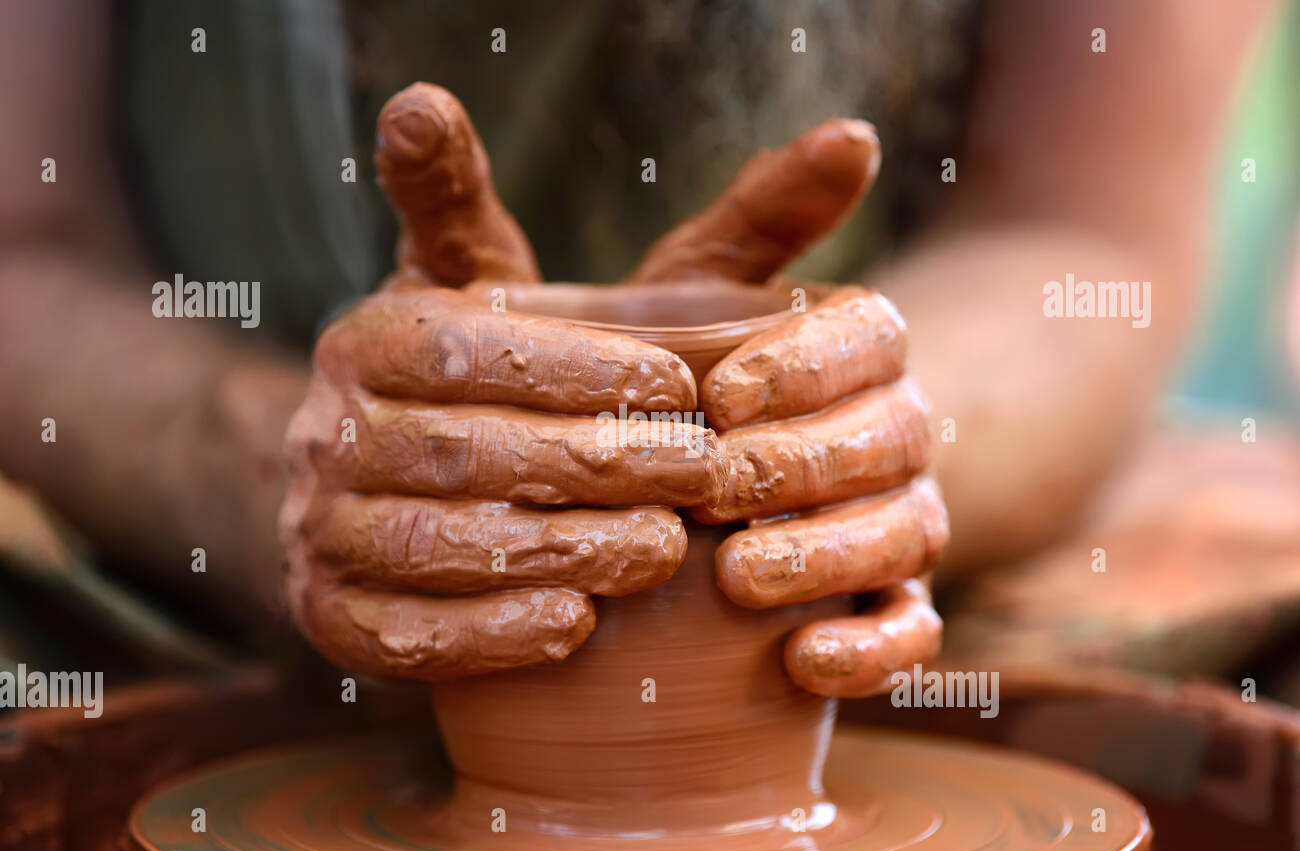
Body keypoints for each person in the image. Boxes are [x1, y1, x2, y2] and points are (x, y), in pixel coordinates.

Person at [0, 0, 1281, 675]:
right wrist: (265, 463)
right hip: (190, 505)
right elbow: (23, 235)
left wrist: (849, 438)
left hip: (876, 574)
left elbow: (1081, 228)